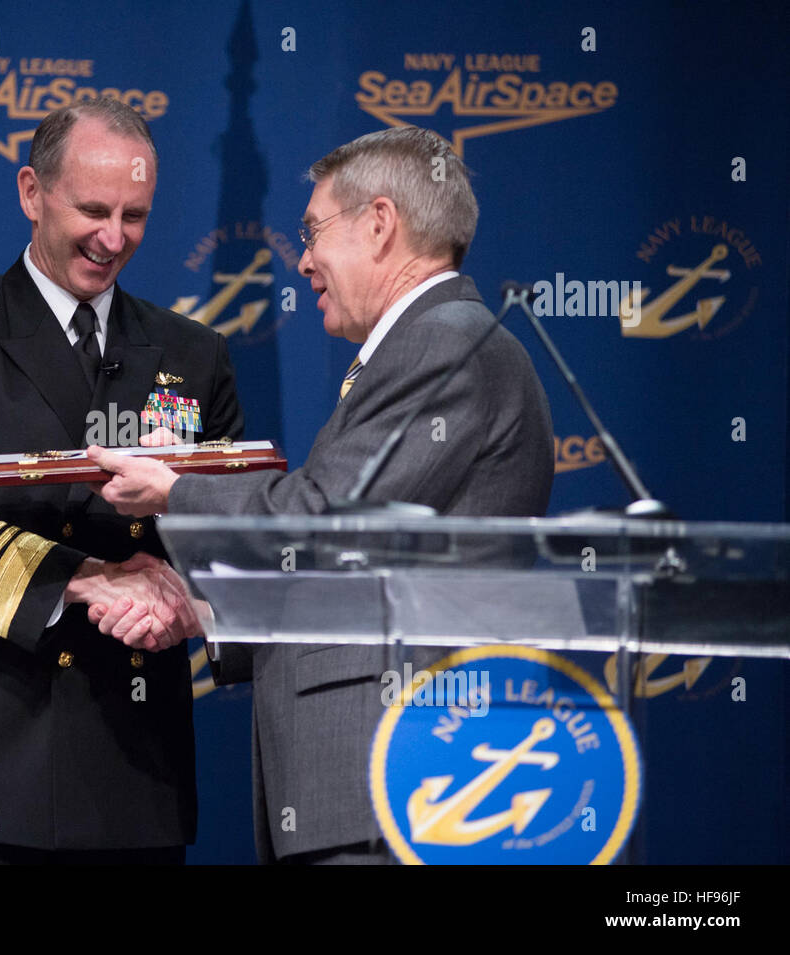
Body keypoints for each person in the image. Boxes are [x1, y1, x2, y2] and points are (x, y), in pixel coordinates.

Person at [87, 126, 554, 864]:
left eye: (312, 232)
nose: (302, 260)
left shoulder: (447, 341)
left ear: (379, 224)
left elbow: (323, 517)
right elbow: (359, 565)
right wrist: (205, 615)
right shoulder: (431, 343)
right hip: (376, 787)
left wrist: (174, 491)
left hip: (397, 781)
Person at [0, 98, 243, 864]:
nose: (113, 238)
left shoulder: (194, 353)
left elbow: (232, 532)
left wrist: (181, 597)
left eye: (134, 215)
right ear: (32, 193)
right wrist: (90, 579)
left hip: (130, 774)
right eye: (93, 209)